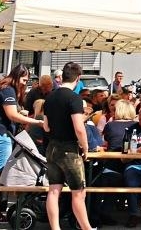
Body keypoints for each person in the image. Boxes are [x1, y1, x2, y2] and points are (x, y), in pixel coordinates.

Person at [0, 64, 41, 222]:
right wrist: (37, 122)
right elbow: (12, 115)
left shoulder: (2, 87)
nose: (25, 83)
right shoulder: (8, 90)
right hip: (0, 134)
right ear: (17, 76)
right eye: (24, 80)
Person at [42, 61, 95, 230]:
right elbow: (79, 128)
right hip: (69, 150)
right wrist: (85, 147)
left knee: (53, 191)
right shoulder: (74, 98)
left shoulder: (49, 97)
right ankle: (86, 228)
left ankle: (55, 228)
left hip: (52, 148)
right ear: (78, 78)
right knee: (78, 193)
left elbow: (46, 126)